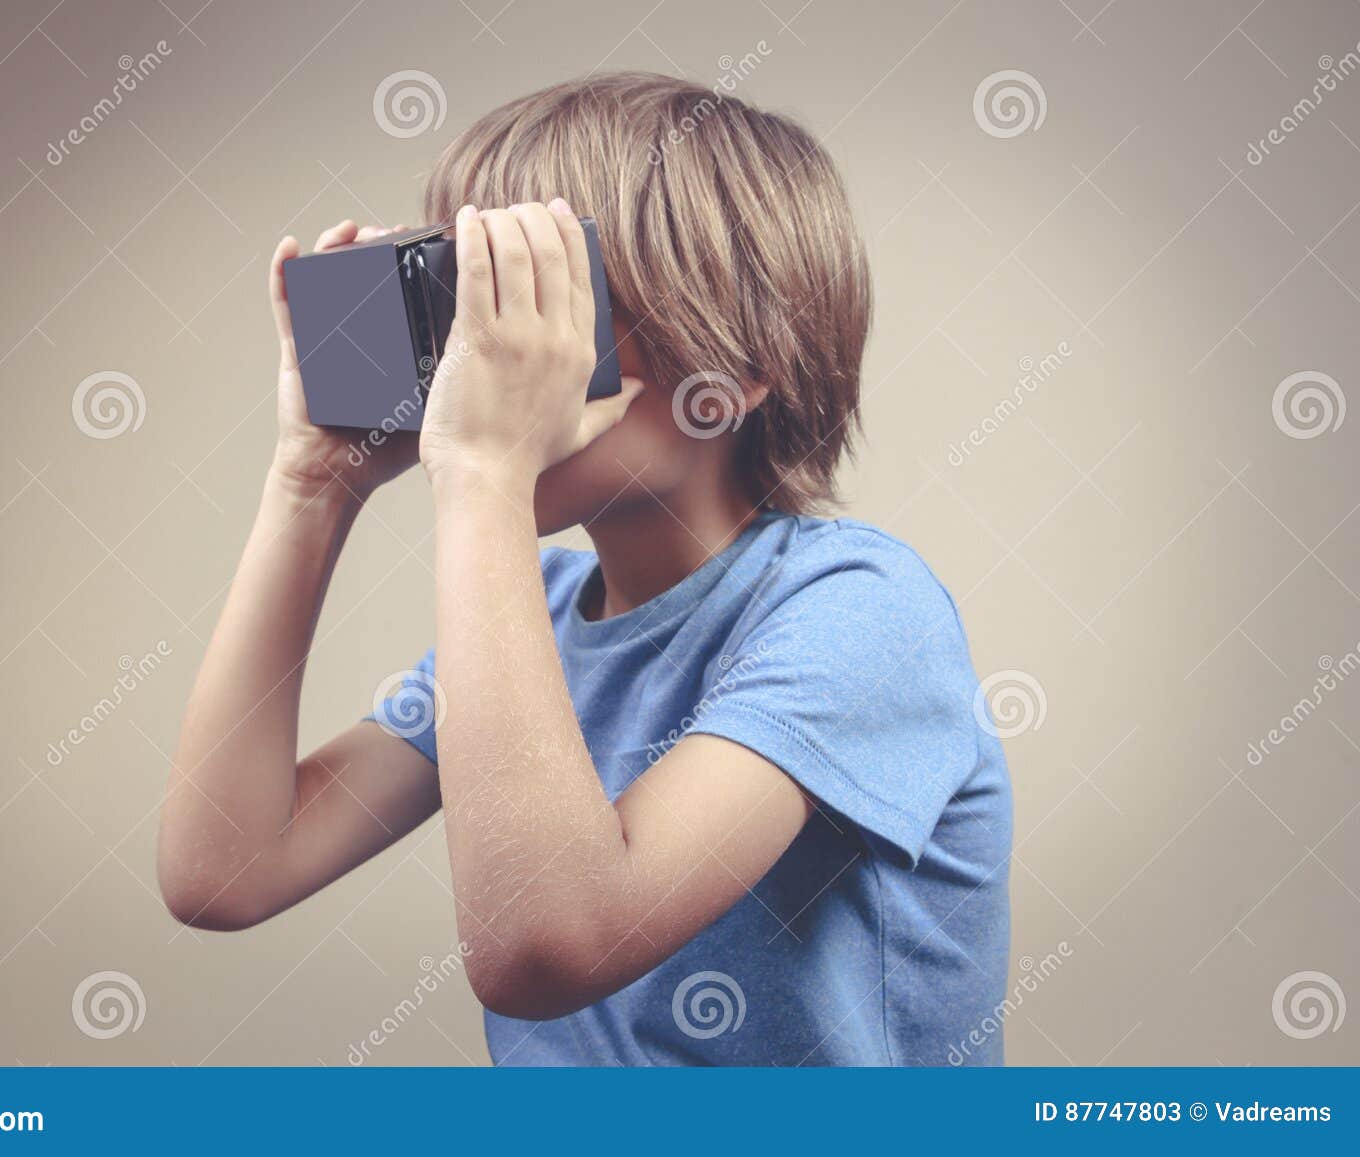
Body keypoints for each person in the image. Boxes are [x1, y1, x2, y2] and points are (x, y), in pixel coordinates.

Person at [157, 72, 1012, 1066]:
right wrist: (313, 484)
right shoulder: (545, 618)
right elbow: (224, 868)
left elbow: (548, 945)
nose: (484, 355)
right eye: (468, 300)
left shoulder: (859, 610)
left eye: (539, 308)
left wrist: (481, 472)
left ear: (728, 373)